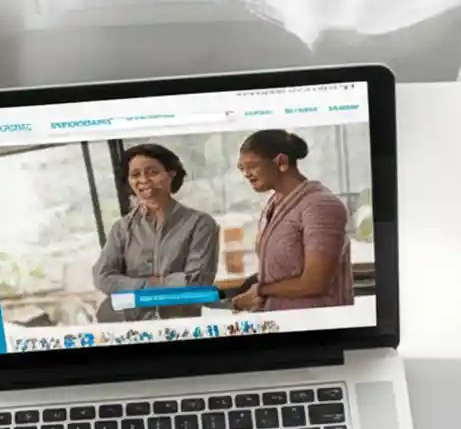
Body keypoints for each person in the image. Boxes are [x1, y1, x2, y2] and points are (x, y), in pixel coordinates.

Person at [93, 143, 219, 322]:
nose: (143, 180)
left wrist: (133, 286)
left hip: (182, 325)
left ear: (171, 174)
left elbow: (197, 283)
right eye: (135, 174)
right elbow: (103, 277)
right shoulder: (121, 228)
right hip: (132, 327)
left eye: (153, 172)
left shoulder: (200, 224)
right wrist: (154, 283)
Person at [231, 130, 353, 312]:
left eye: (252, 166)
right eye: (242, 168)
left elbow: (315, 282)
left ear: (281, 162)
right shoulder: (273, 204)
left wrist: (261, 291)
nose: (246, 174)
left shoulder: (320, 205)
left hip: (318, 326)